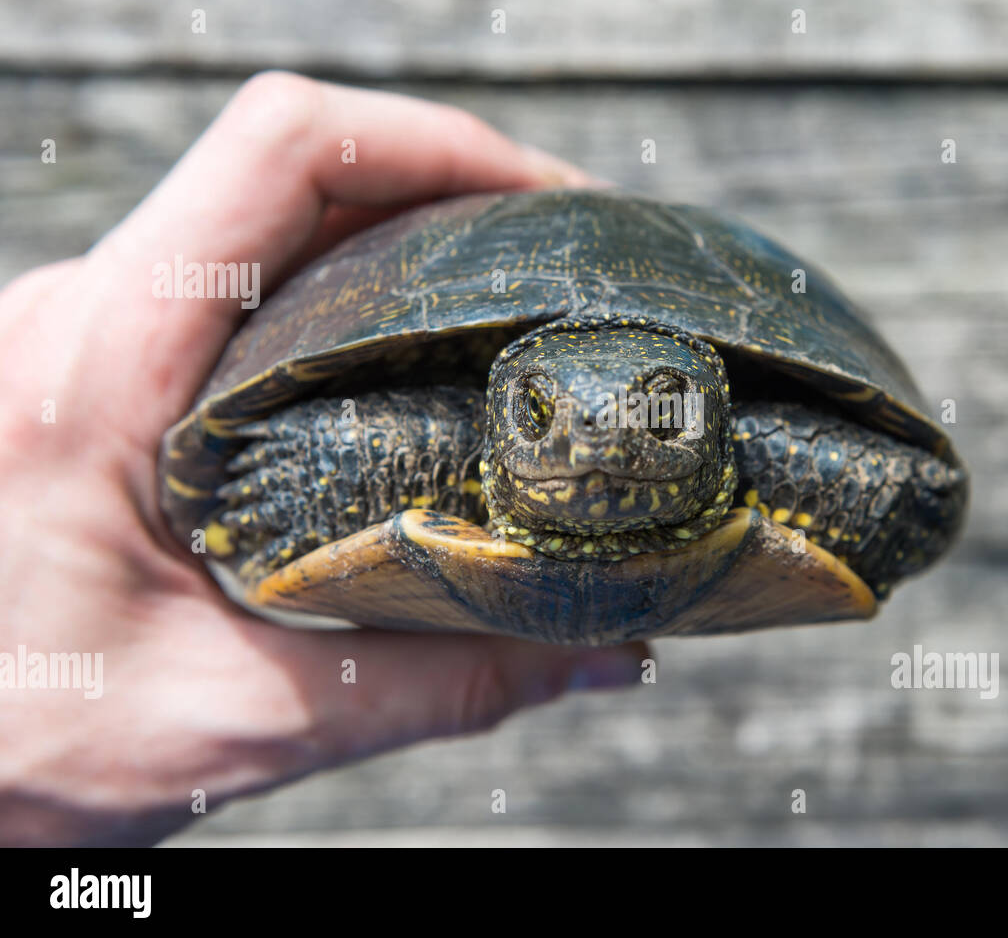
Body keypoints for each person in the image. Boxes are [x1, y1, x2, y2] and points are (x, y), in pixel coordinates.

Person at [0, 73, 650, 846]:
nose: (601, 441)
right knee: (384, 440)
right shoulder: (438, 437)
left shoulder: (740, 441)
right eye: (539, 414)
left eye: (663, 412)